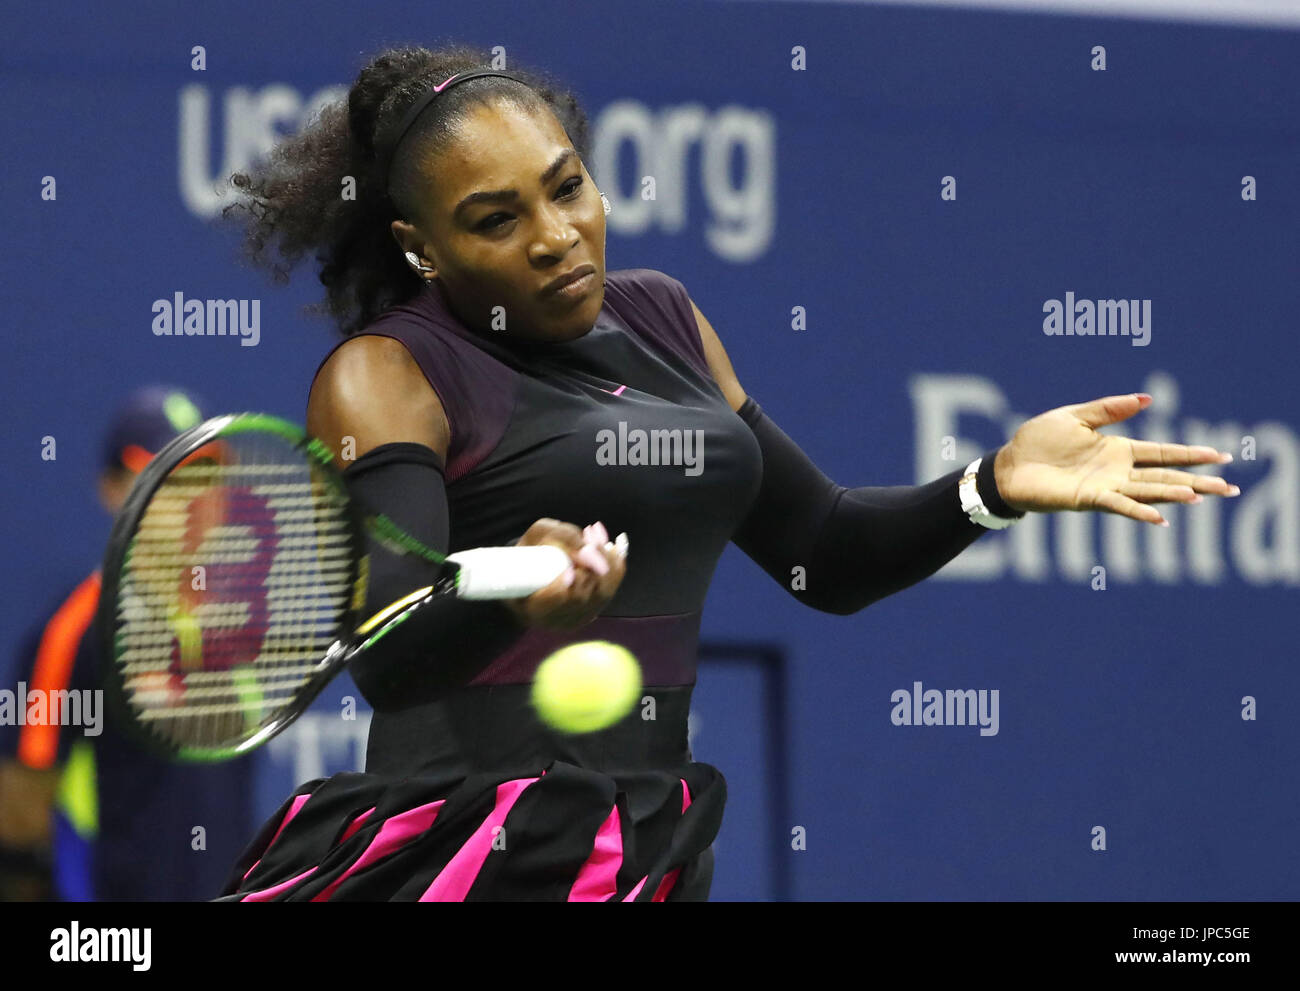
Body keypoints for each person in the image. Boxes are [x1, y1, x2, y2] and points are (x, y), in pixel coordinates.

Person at [213, 45, 1239, 902]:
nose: (556, 236)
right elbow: (384, 649)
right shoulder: (384, 372)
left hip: (641, 839)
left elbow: (821, 554)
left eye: (566, 186)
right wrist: (515, 591)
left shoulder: (661, 316)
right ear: (421, 248)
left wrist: (993, 484)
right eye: (496, 219)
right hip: (464, 850)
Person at [0, 387, 258, 901]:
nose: (189, 499)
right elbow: (18, 818)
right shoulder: (71, 634)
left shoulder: (238, 625)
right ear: (111, 490)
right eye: (162, 476)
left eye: (202, 476)